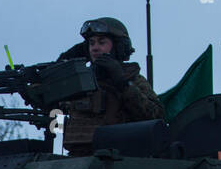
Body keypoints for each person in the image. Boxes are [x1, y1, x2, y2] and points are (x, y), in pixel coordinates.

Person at [56, 17, 164, 155]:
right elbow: (54, 111)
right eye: (91, 43)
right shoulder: (80, 82)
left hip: (120, 159)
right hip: (78, 160)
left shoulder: (133, 79)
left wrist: (123, 84)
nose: (95, 48)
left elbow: (156, 116)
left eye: (102, 42)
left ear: (118, 47)